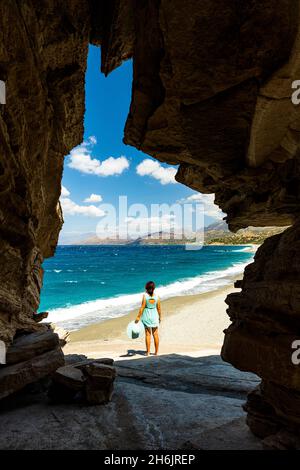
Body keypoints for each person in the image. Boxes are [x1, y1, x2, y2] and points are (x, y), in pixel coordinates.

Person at [135, 281, 161, 356]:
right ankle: (156, 352)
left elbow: (142, 307)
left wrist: (138, 317)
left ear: (146, 288)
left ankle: (148, 352)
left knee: (148, 335)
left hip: (146, 316)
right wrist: (160, 317)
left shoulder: (145, 296)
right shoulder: (157, 297)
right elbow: (159, 308)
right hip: (154, 316)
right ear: (154, 288)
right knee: (155, 334)